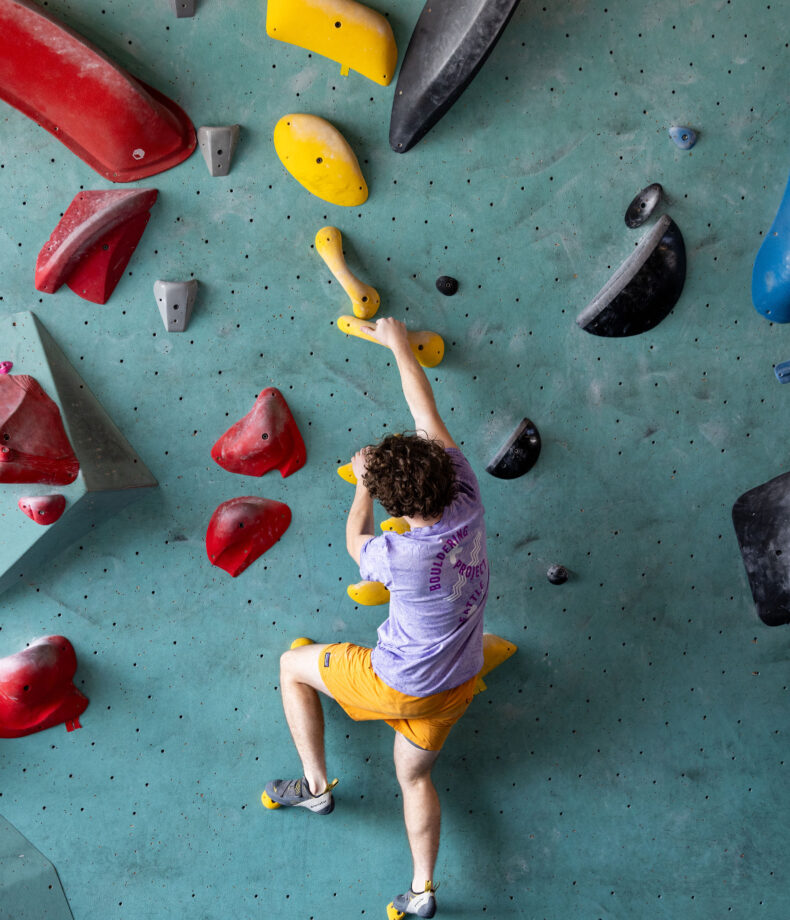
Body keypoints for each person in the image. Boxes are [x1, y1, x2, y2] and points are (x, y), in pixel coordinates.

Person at [263, 317, 489, 920]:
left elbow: (353, 536)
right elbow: (425, 411)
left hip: (398, 681)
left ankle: (314, 789)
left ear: (397, 505)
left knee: (291, 666)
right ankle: (421, 891)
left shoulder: (397, 555)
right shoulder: (467, 495)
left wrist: (361, 484)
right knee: (415, 779)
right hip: (454, 686)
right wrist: (396, 344)